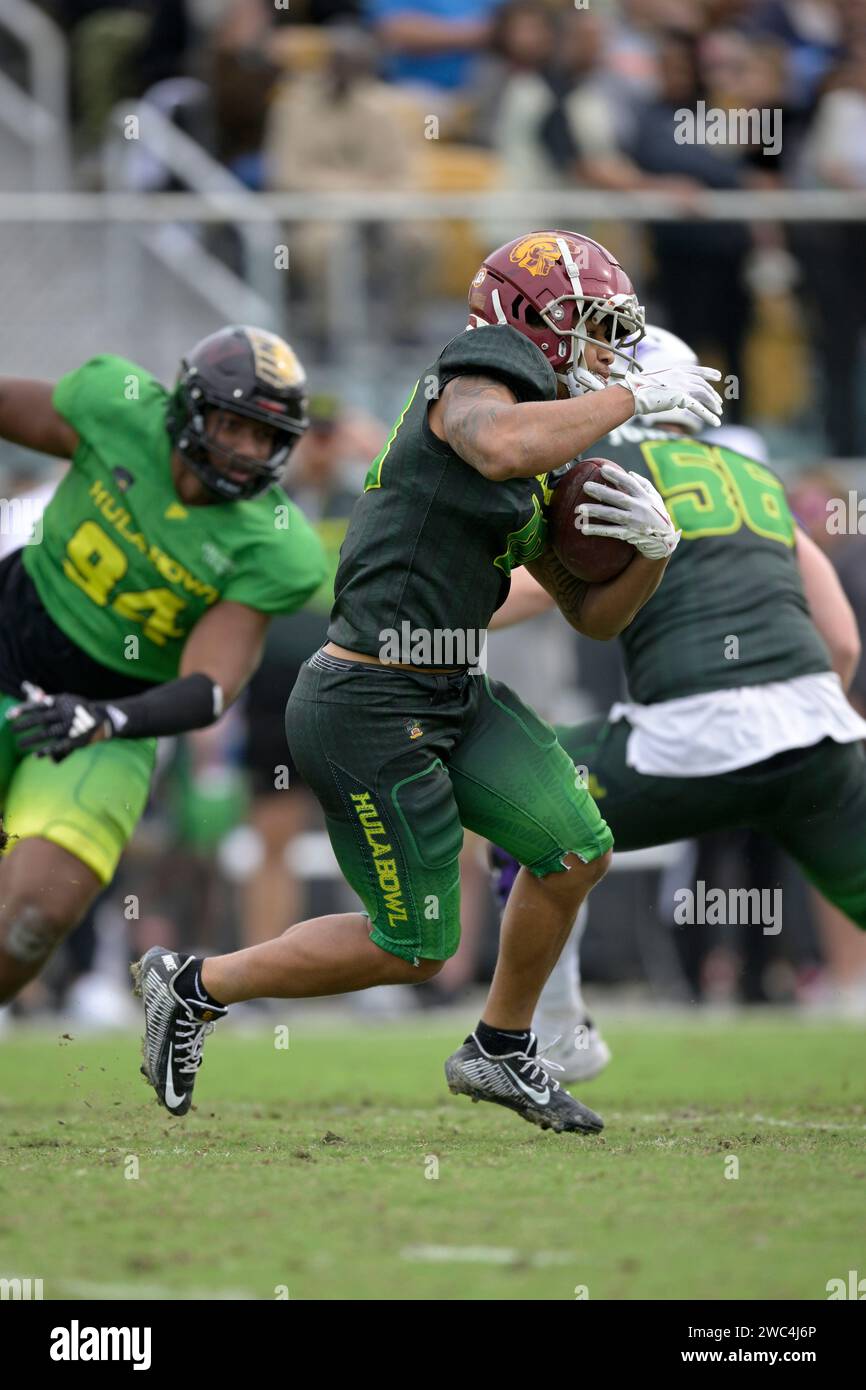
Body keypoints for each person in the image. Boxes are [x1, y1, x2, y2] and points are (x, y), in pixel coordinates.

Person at [134, 229, 723, 1135]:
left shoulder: (547, 451)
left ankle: (501, 1047)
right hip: (366, 700)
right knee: (412, 947)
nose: (611, 353)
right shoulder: (476, 379)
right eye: (596, 329)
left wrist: (652, 552)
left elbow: (590, 614)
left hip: (452, 688)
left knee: (575, 848)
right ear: (534, 319)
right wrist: (627, 396)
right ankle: (195, 984)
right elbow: (494, 445)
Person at [490, 324, 866, 1077]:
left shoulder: (609, 471)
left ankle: (557, 1032)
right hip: (821, 735)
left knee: (518, 802)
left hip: (686, 739)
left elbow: (514, 596)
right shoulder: (757, 479)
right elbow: (844, 645)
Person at [0, 326, 327, 1006]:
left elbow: (210, 687)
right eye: (234, 424)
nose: (245, 450)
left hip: (103, 720)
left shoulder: (273, 546)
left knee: (33, 920)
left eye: (266, 437)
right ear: (190, 408)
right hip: (7, 639)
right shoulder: (117, 409)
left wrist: (108, 718)